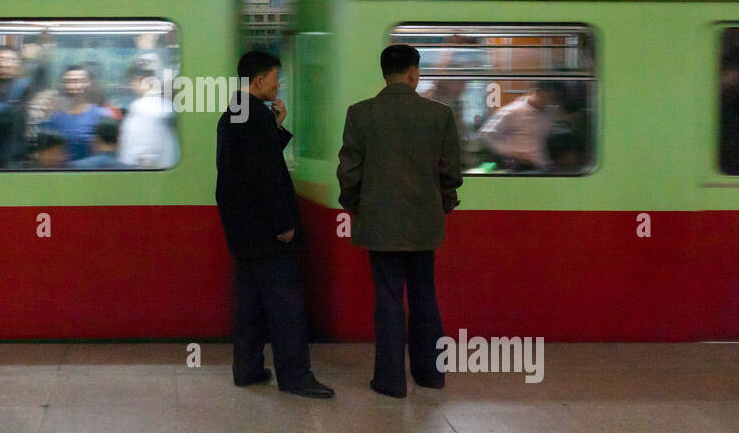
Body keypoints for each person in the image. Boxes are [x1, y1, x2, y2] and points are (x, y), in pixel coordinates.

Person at [337, 44, 462, 397]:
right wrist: (439, 205)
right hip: (424, 226)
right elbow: (450, 174)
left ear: (384, 74)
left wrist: (359, 206)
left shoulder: (360, 114)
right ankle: (431, 375)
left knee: (388, 300)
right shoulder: (439, 115)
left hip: (380, 226)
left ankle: (390, 381)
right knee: (425, 297)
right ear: (414, 73)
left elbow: (349, 172)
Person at [215, 51, 333, 399]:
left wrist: (276, 127)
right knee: (286, 305)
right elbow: (267, 176)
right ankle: (295, 375)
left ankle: (247, 368)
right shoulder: (254, 119)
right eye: (275, 76)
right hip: (267, 232)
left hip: (243, 230)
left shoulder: (233, 114)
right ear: (259, 80)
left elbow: (244, 166)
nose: (278, 82)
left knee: (249, 302)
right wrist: (283, 223)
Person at [475, 81, 562, 171]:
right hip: (521, 167)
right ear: (538, 92)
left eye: (552, 98)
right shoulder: (513, 111)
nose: (549, 101)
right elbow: (486, 134)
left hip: (543, 165)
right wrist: (511, 152)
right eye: (548, 97)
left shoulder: (549, 113)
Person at [117, 62, 179, 168]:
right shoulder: (166, 105)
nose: (131, 88)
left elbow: (143, 153)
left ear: (140, 80)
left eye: (132, 83)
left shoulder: (142, 108)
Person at [48, 65, 111, 161]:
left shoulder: (101, 115)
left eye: (79, 81)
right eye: (69, 81)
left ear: (88, 83)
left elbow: (106, 153)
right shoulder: (55, 118)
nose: (74, 86)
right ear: (63, 85)